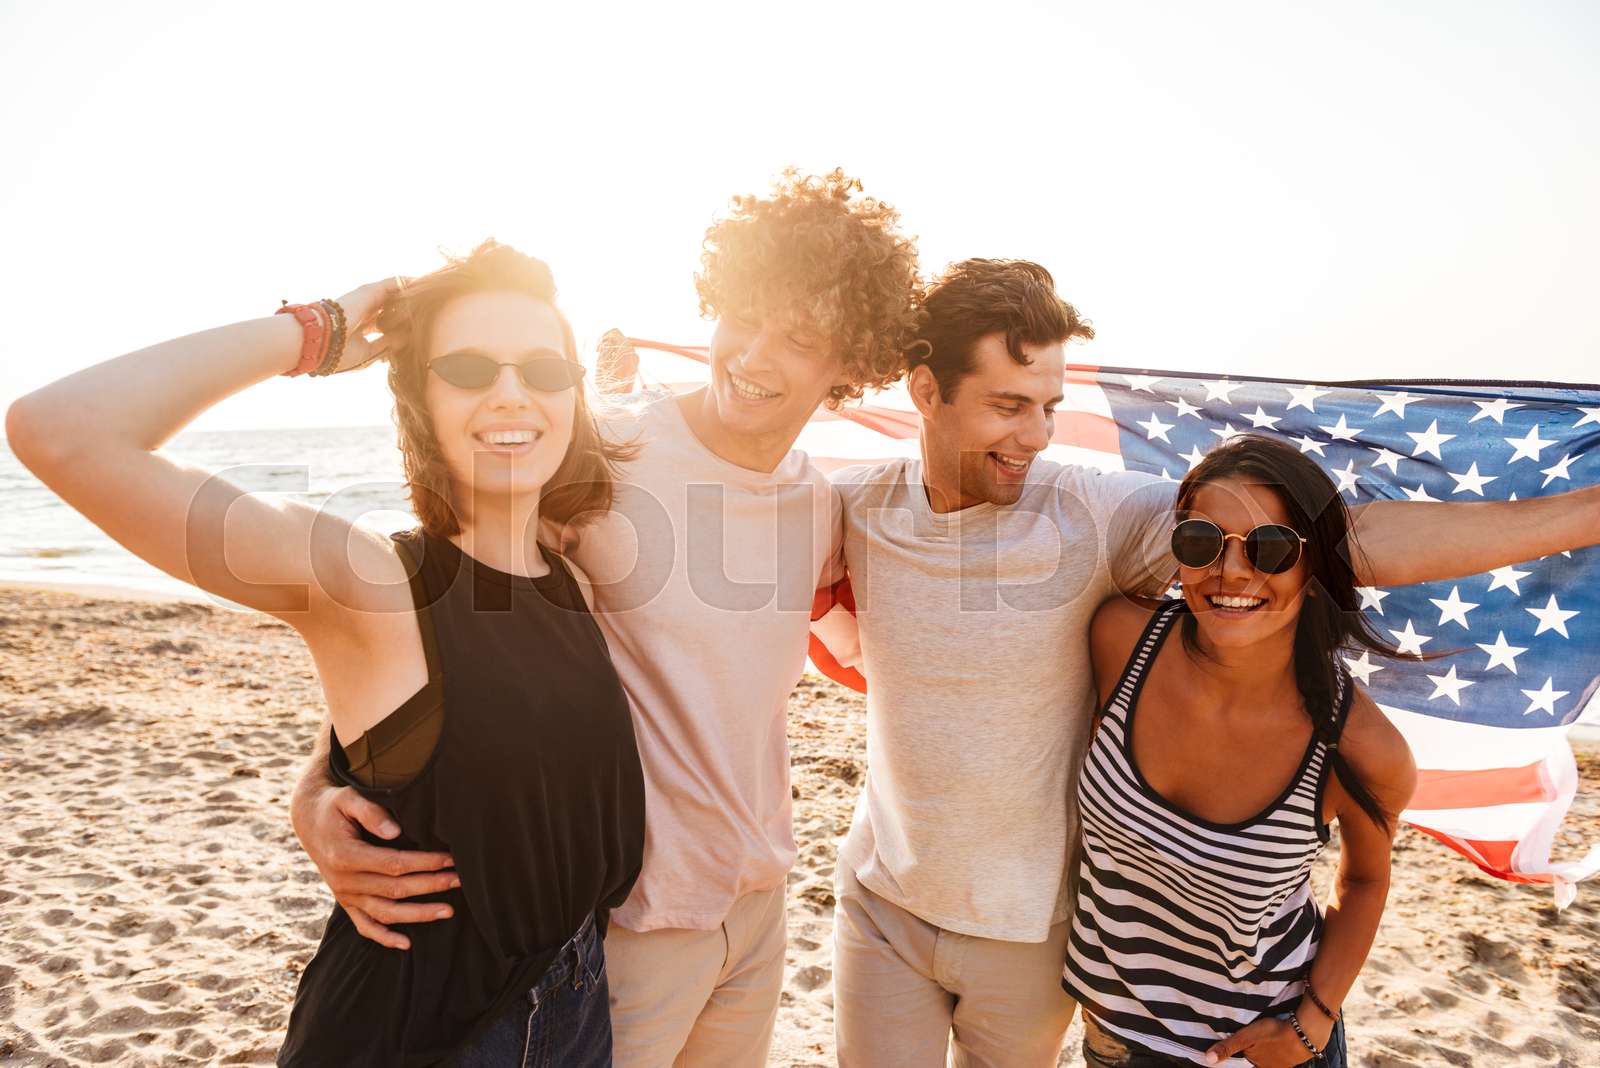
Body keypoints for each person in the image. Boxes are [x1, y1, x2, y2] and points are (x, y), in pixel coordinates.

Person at [822, 258, 1600, 1066]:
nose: (1035, 436)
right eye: (1009, 406)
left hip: (1031, 928)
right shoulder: (855, 504)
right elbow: (736, 524)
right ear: (925, 392)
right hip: (882, 899)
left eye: (1049, 408)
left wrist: (1587, 514)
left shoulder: (1092, 513)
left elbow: (1339, 542)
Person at [288, 169, 926, 1066]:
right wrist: (319, 784)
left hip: (758, 908)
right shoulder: (605, 453)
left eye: (799, 336)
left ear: (849, 363)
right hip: (629, 926)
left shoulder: (818, 506)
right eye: (742, 315)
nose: (753, 354)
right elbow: (442, 615)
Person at [5, 241, 646, 1067]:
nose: (512, 394)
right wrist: (318, 333)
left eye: (543, 370)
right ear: (418, 397)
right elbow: (60, 431)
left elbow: (428, 716)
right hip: (433, 1035)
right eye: (470, 368)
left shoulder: (567, 573)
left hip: (579, 999)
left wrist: (323, 777)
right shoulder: (368, 581)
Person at [1062, 433, 1412, 1067]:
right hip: (1110, 1036)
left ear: (1315, 569)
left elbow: (1363, 881)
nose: (1232, 571)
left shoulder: (1360, 745)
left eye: (1270, 548)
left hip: (1255, 1047)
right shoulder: (1119, 638)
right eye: (1201, 541)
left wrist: (1313, 1021)